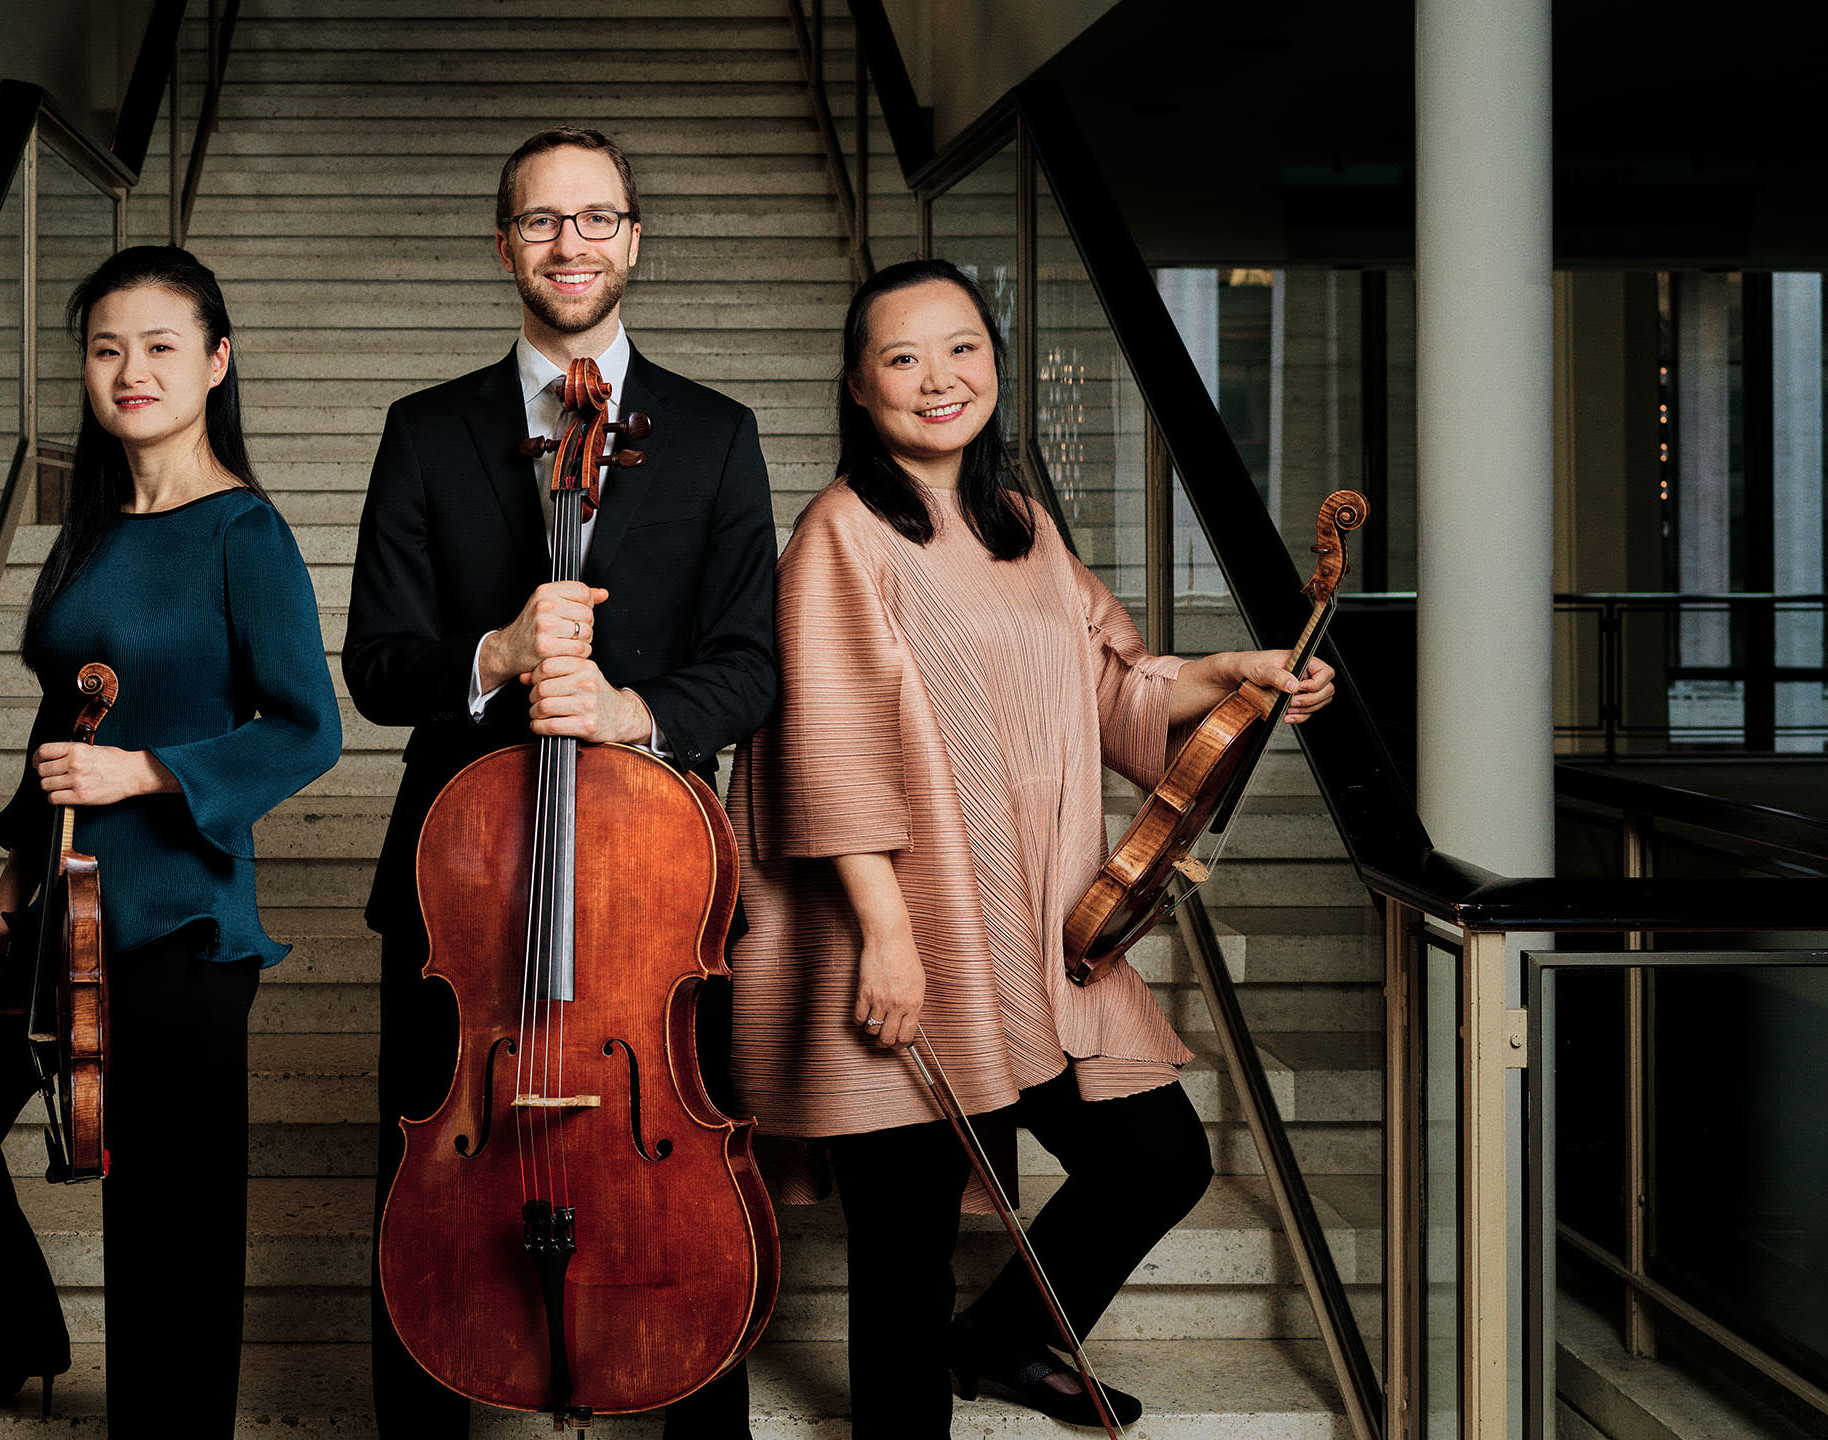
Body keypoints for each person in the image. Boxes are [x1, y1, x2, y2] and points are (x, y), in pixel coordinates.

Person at [725, 259, 1335, 1437]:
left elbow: (1105, 683)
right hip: (912, 927)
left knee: (1155, 1158)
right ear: (856, 386)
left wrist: (1231, 676)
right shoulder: (839, 534)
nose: (938, 378)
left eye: (962, 348)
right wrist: (886, 941)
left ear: (996, 365)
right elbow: (830, 742)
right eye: (901, 358)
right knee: (900, 1247)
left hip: (1042, 926)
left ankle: (1002, 1338)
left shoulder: (1021, 523)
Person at [343, 126, 780, 1438]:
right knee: (426, 1190)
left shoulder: (712, 435)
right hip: (461, 897)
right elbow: (376, 662)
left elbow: (752, 663)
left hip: (659, 891)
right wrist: (495, 654)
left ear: (634, 241)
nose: (570, 243)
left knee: (687, 1177)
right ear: (504, 245)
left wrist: (640, 710)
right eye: (542, 221)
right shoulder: (426, 432)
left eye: (596, 219)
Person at [0, 245, 341, 1437]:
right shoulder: (87, 531)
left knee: (171, 1225)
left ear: (215, 361)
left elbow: (306, 728)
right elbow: (57, 723)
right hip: (63, 903)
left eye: (158, 346)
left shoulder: (245, 533)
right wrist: (8, 888)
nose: (129, 371)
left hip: (182, 922)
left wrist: (145, 770)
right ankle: (1, 1331)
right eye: (104, 349)